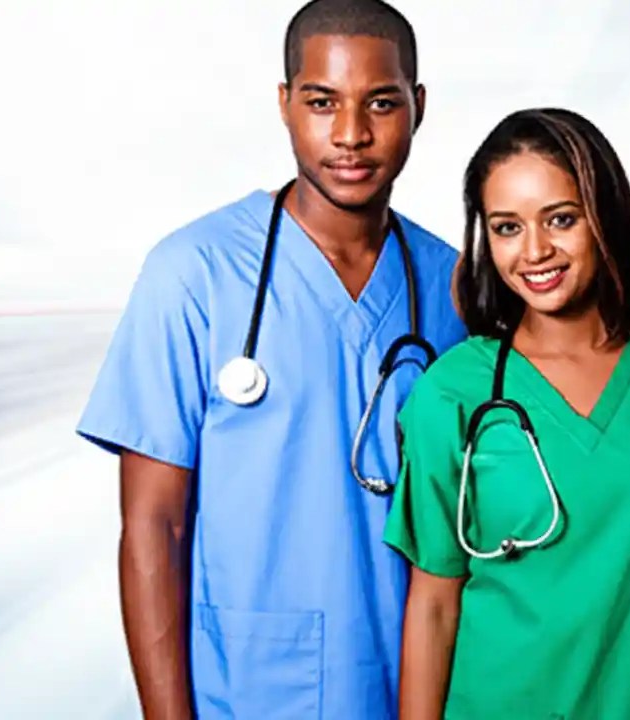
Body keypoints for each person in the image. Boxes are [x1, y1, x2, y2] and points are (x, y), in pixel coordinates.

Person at [75, 1, 466, 717]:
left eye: (381, 103)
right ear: (285, 105)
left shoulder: (455, 289)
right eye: (322, 102)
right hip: (245, 692)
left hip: (416, 688)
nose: (351, 135)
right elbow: (153, 526)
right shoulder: (193, 273)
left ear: (419, 106)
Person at [384, 107, 630, 719]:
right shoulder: (455, 393)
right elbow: (435, 604)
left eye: (561, 219)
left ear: (605, 218)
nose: (535, 251)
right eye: (506, 227)